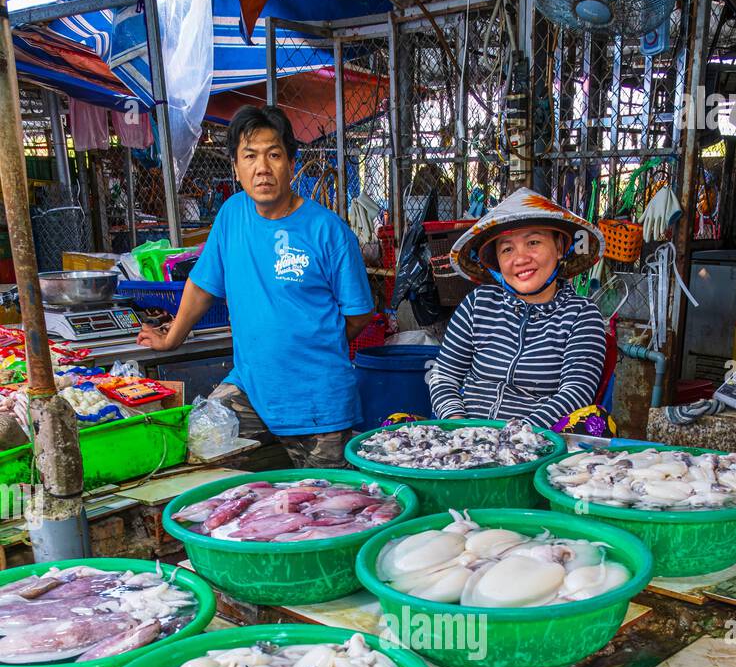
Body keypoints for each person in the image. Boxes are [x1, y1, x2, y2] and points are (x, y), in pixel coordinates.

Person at [137, 105, 374, 466]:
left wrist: (307, 346)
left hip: (316, 400)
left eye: (274, 155)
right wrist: (172, 338)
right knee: (203, 448)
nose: (262, 168)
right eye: (250, 156)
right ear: (235, 166)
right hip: (250, 386)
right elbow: (202, 288)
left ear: (291, 164)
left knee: (329, 505)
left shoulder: (328, 231)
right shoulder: (232, 215)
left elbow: (358, 315)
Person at [428, 187, 607, 428]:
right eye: (507, 249)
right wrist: (458, 425)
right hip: (467, 436)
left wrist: (513, 436)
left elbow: (575, 394)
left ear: (560, 247)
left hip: (536, 441)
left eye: (533, 242)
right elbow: (443, 376)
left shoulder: (581, 316)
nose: (520, 258)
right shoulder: (477, 303)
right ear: (496, 261)